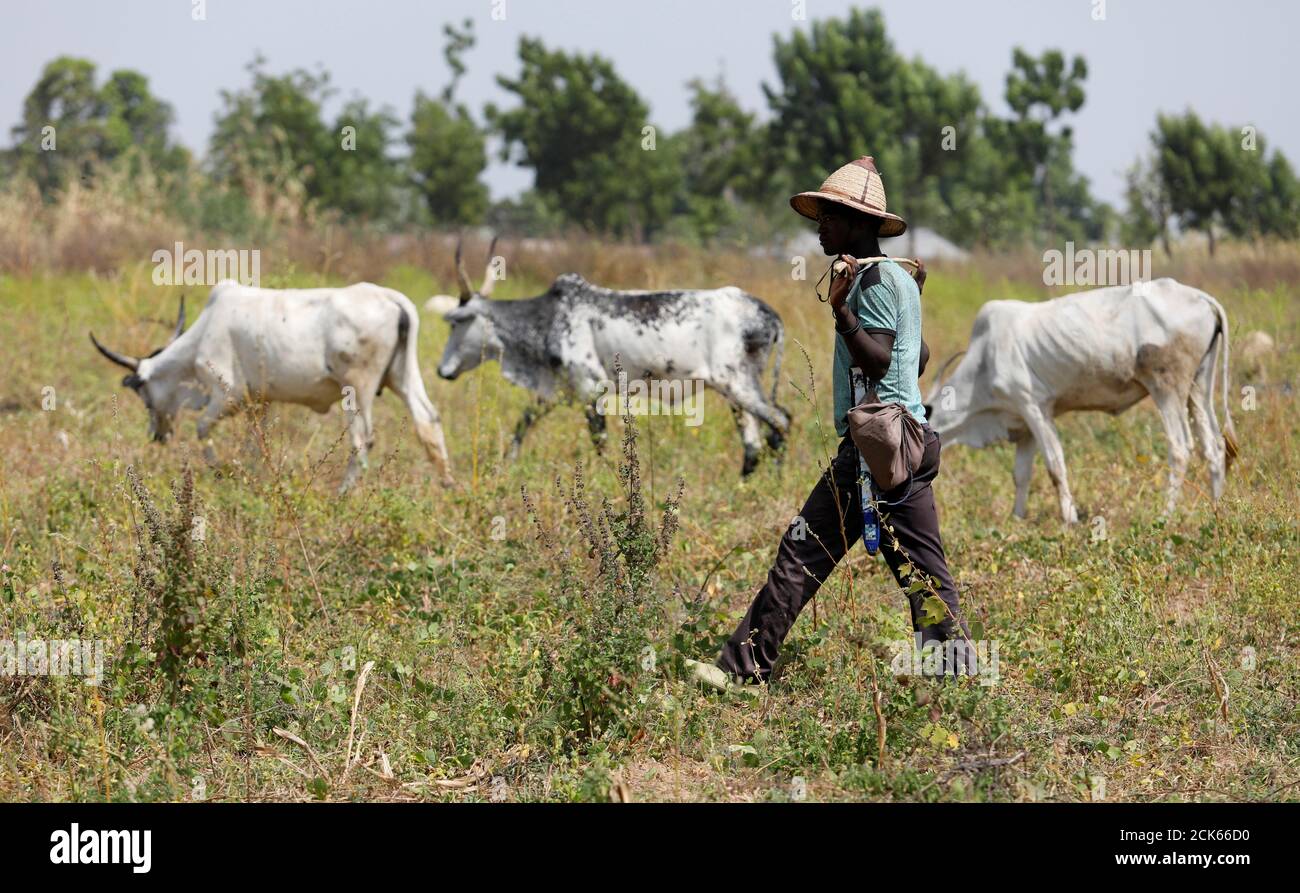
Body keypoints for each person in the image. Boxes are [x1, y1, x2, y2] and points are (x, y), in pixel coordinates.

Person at [688, 156, 972, 694]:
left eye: (829, 216)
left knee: (805, 551)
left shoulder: (875, 281)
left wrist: (845, 315)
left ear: (859, 222)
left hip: (881, 449)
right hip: (898, 444)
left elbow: (883, 362)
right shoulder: (893, 277)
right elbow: (920, 355)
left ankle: (744, 673)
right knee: (919, 571)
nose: (819, 227)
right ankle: (955, 683)